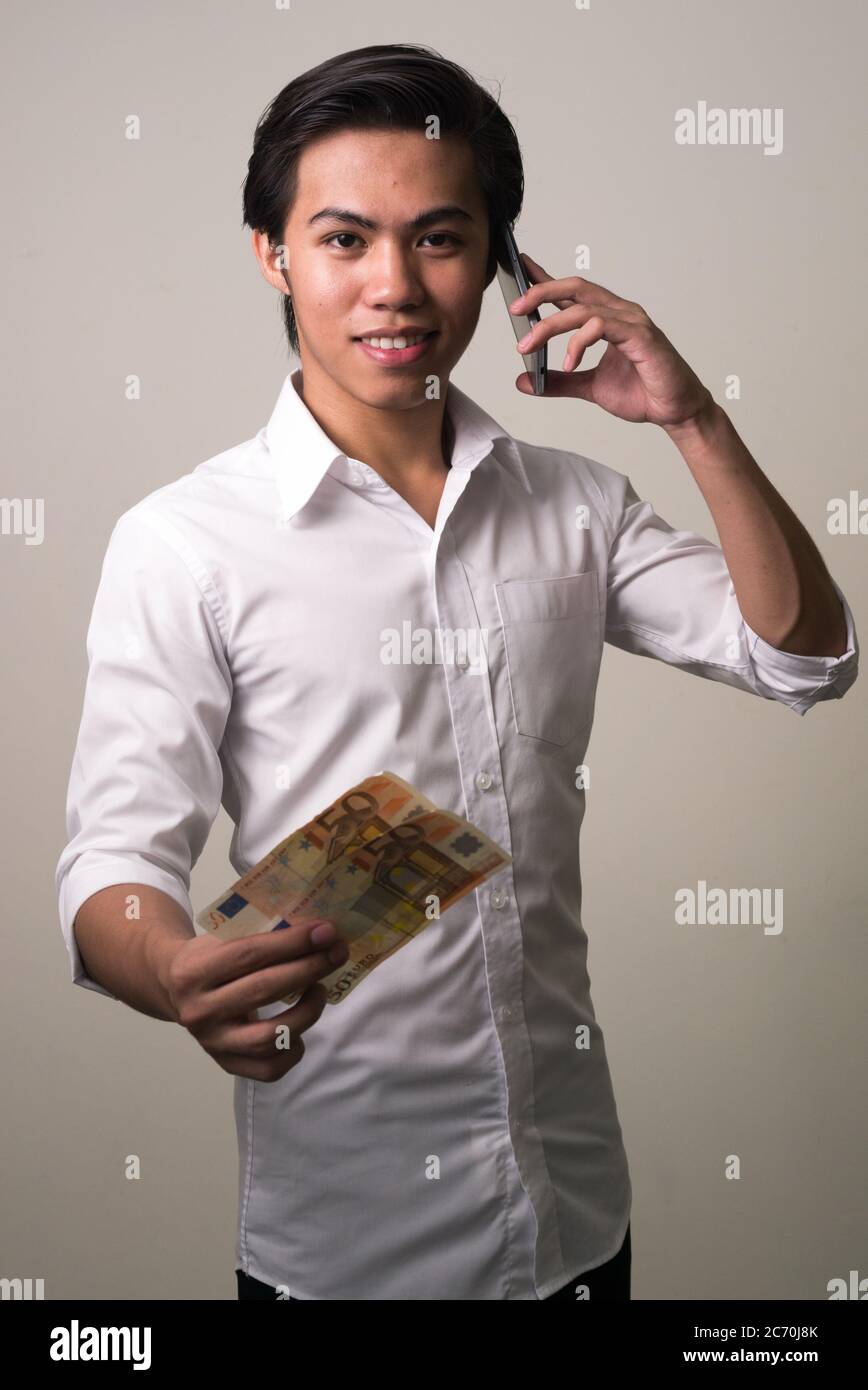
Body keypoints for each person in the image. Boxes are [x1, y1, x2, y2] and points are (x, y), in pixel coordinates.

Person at [55, 43, 858, 1302]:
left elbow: (804, 657)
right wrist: (168, 971)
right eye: (342, 240)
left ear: (499, 260)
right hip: (342, 1244)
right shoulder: (182, 543)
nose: (395, 288)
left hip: (573, 1212)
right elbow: (111, 862)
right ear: (271, 253)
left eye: (439, 238)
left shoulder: (574, 506)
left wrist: (693, 417)